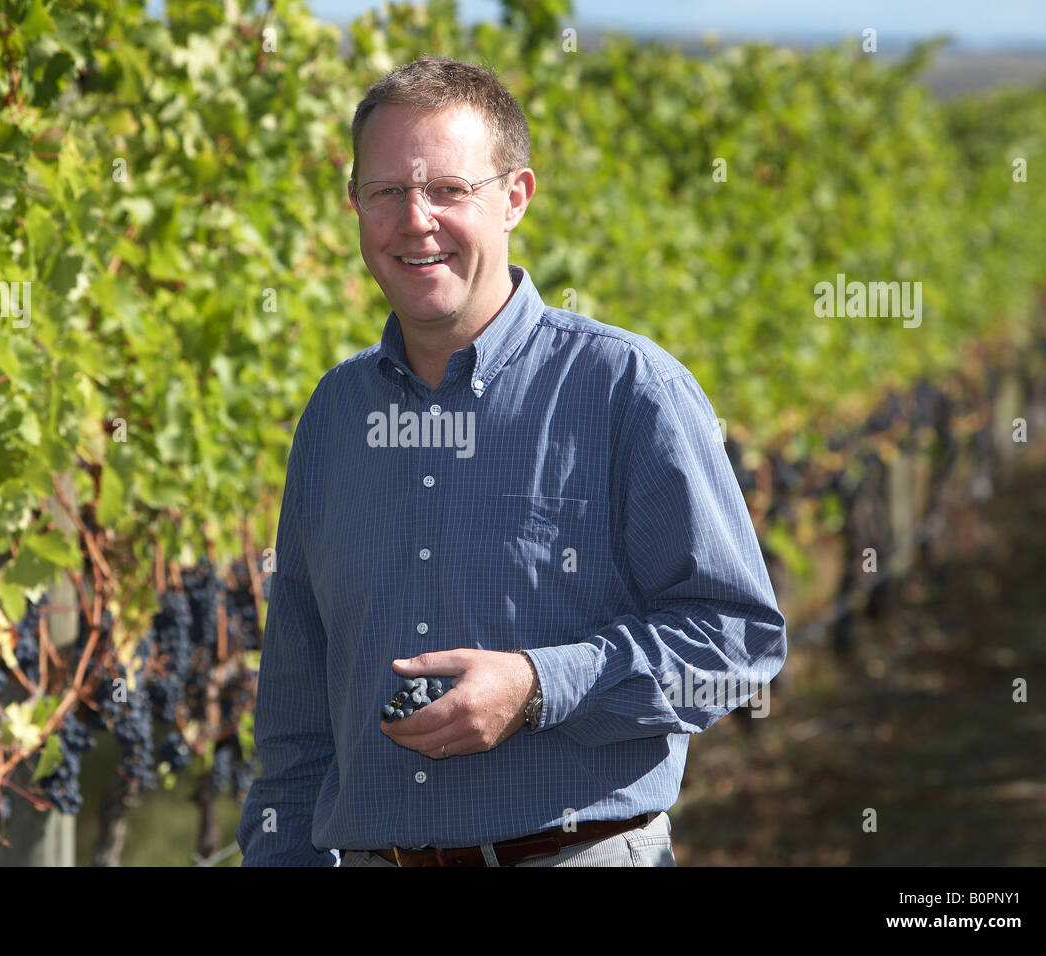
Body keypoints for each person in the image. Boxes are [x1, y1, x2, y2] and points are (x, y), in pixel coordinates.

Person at [237, 55, 786, 867]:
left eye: (448, 191)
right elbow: (295, 709)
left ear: (514, 199)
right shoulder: (335, 417)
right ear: (355, 204)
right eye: (386, 191)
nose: (414, 219)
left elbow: (738, 644)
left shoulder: (627, 390)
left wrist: (538, 686)